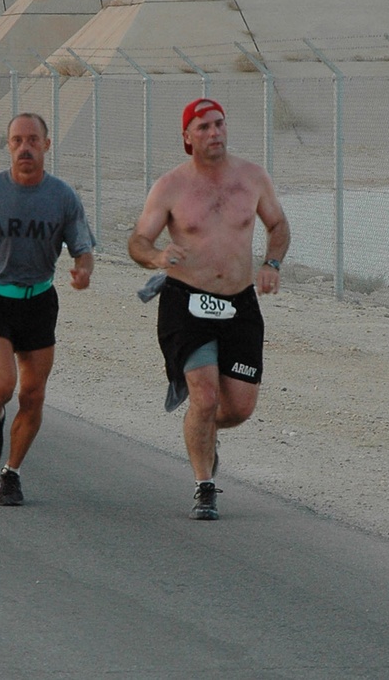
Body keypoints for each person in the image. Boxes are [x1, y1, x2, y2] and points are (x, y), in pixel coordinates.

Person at [127, 98, 291, 520]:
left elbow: (278, 224)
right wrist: (158, 257)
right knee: (204, 394)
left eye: (219, 124)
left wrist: (271, 264)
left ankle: (204, 435)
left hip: (239, 302)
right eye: (203, 127)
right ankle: (204, 486)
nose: (214, 132)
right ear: (186, 137)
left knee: (238, 407)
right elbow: (138, 242)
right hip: (187, 302)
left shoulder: (252, 177)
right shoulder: (170, 187)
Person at [0, 113, 95, 506]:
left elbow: (82, 248)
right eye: (16, 140)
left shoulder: (62, 196)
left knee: (34, 394)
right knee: (4, 385)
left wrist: (83, 271)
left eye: (32, 140)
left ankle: (11, 473)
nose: (25, 147)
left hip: (40, 299)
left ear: (46, 144)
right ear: (7, 146)